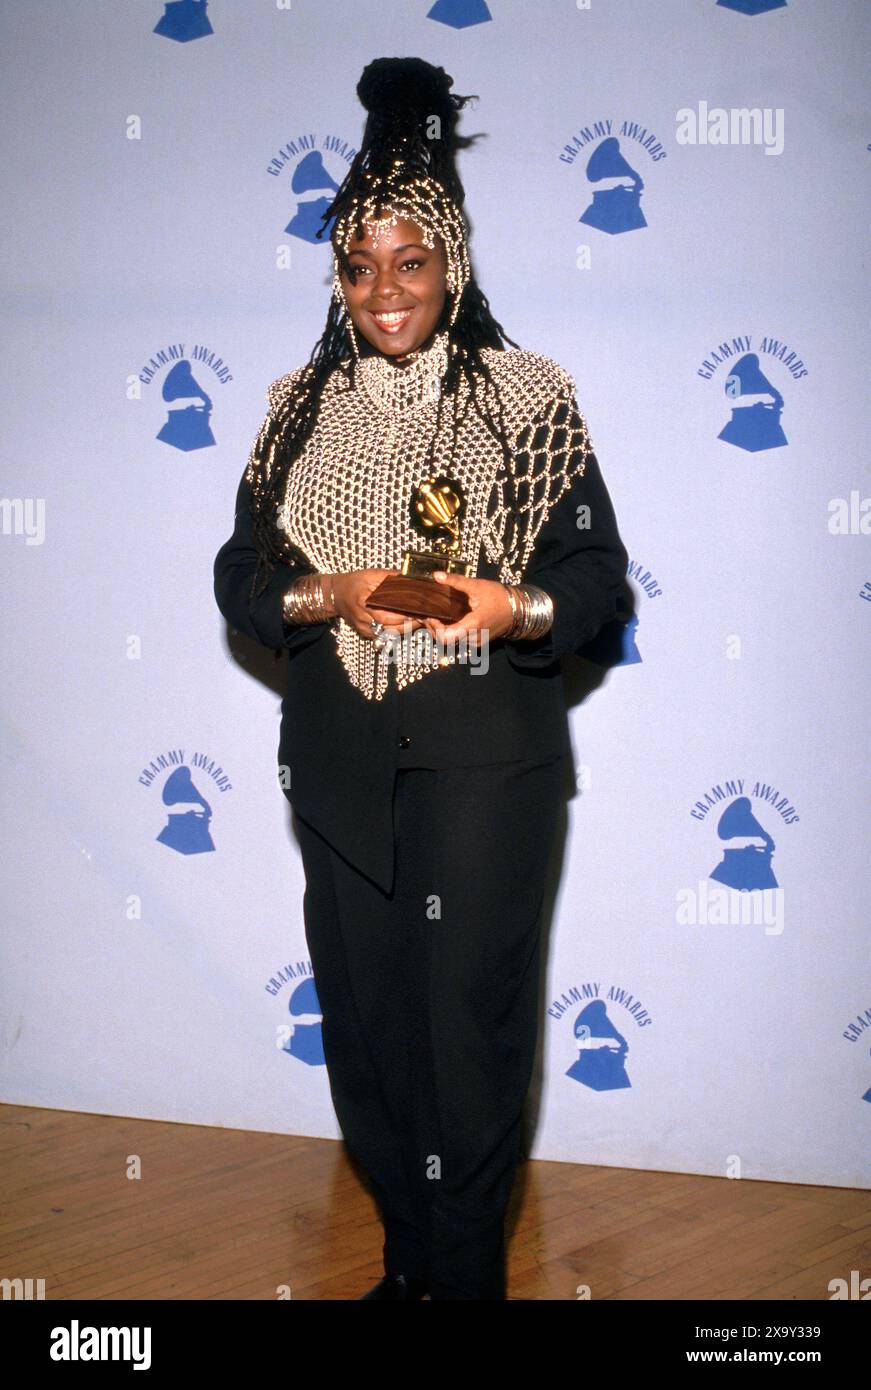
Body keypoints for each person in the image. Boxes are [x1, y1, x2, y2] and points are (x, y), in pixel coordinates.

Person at [213, 56, 628, 1301]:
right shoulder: (295, 413)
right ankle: (411, 1268)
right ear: (336, 277)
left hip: (482, 768)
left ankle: (462, 1284)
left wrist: (515, 606)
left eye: (411, 260)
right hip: (340, 767)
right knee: (372, 1045)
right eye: (359, 264)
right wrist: (330, 594)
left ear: (451, 264)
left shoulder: (527, 395)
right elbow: (241, 578)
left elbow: (601, 585)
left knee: (466, 1035)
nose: (384, 289)